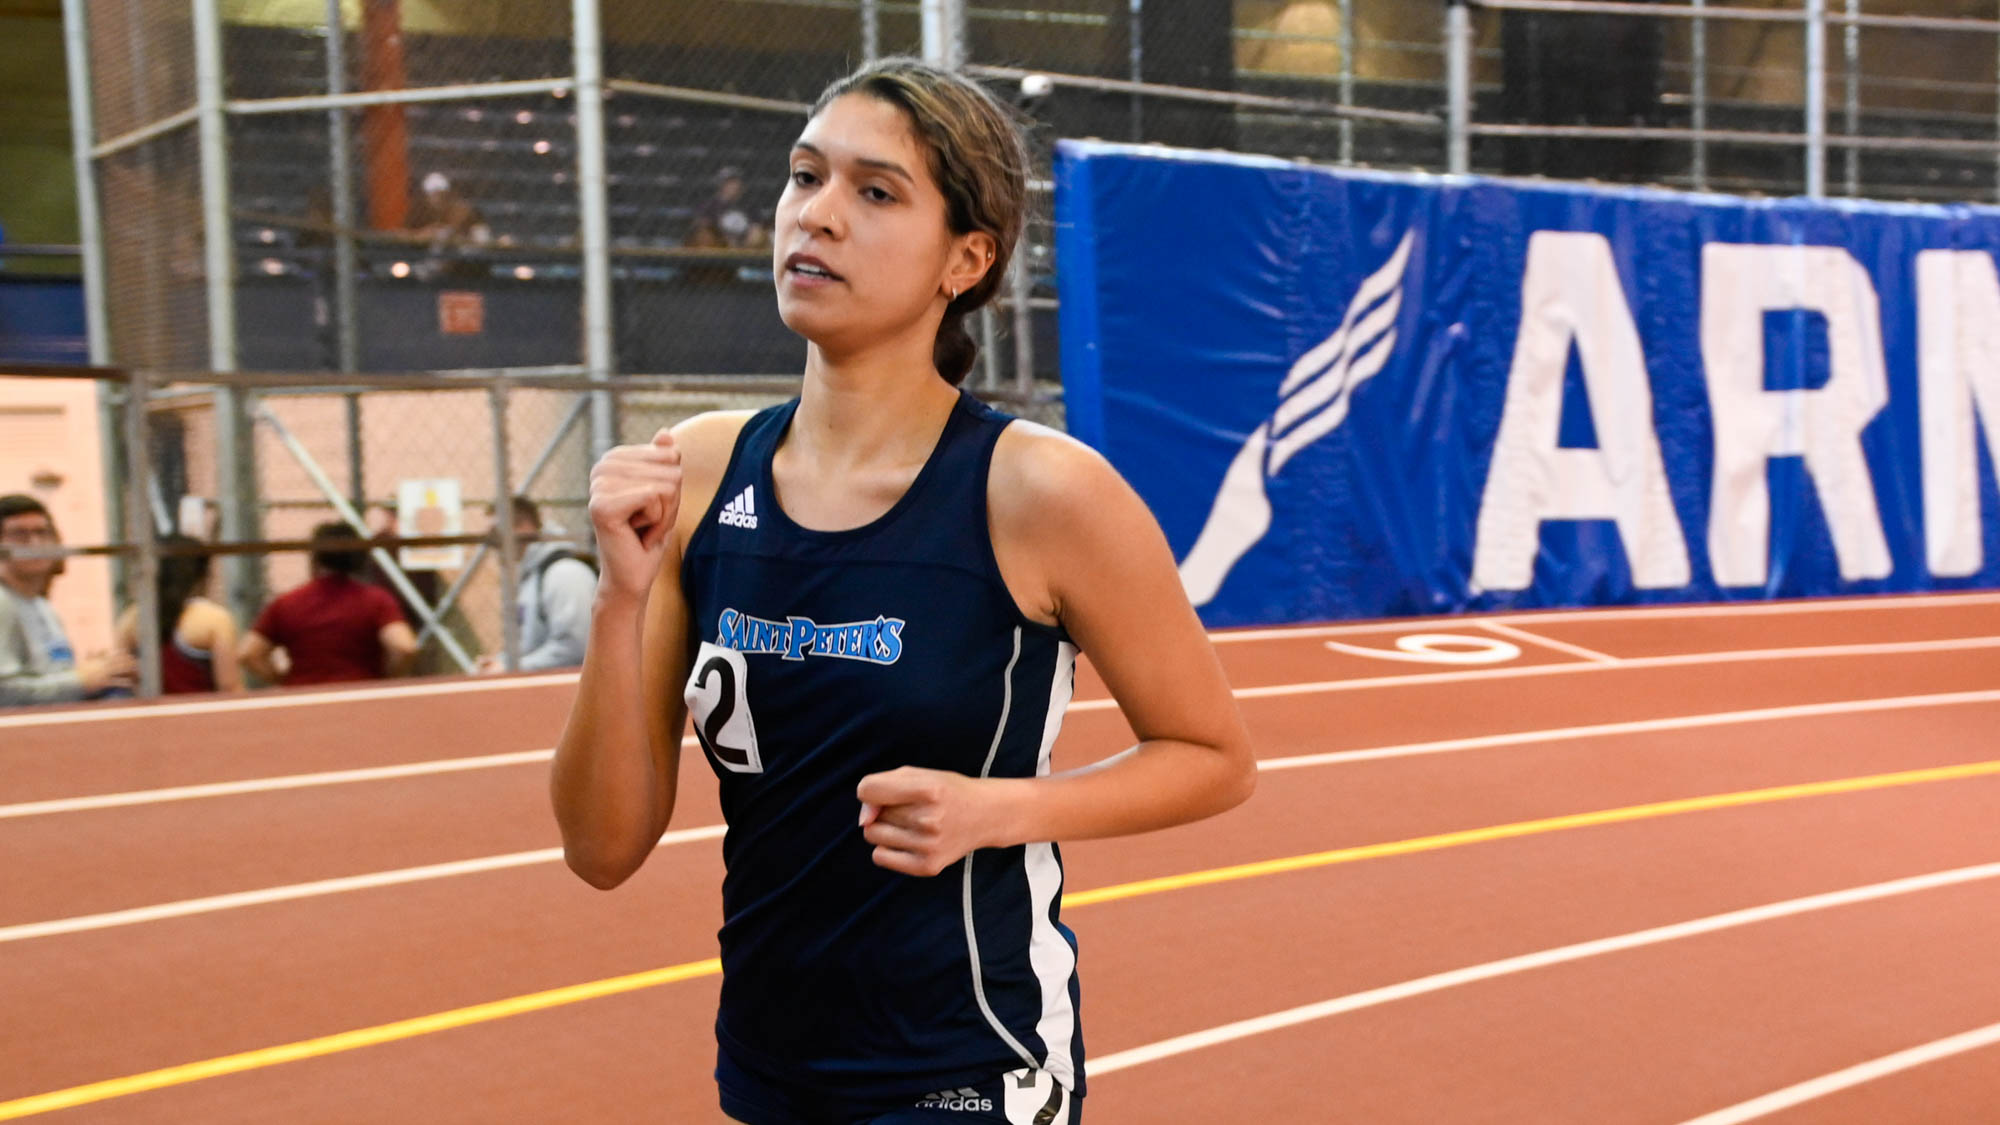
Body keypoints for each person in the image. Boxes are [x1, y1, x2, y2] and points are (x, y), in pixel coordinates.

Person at [550, 59, 1255, 1125]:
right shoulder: (696, 474)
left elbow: (1212, 758)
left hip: (969, 1063)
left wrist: (999, 811)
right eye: (803, 177)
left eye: (874, 193)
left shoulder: (1038, 489)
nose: (816, 216)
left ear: (964, 260)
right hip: (769, 1065)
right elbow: (602, 850)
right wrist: (619, 599)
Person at [240, 521, 418, 687]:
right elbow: (404, 646)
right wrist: (386, 679)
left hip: (304, 696)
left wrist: (284, 681)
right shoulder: (376, 600)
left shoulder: (287, 603)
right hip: (360, 692)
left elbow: (248, 653)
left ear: (314, 557)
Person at [0, 494, 134, 705]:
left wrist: (96, 671)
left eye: (42, 533)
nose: (35, 544)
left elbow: (49, 671)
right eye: (19, 534)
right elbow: (4, 692)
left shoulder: (41, 605)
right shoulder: (3, 604)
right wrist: (80, 681)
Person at [115, 535, 243, 694]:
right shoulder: (214, 620)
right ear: (202, 574)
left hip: (152, 715)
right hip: (202, 715)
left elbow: (122, 680)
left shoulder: (132, 619)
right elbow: (229, 688)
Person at [480, 496, 594, 673]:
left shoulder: (564, 573)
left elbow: (576, 648)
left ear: (523, 528)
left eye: (495, 533)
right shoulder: (532, 574)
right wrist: (501, 661)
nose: (491, 543)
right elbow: (532, 645)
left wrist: (511, 668)